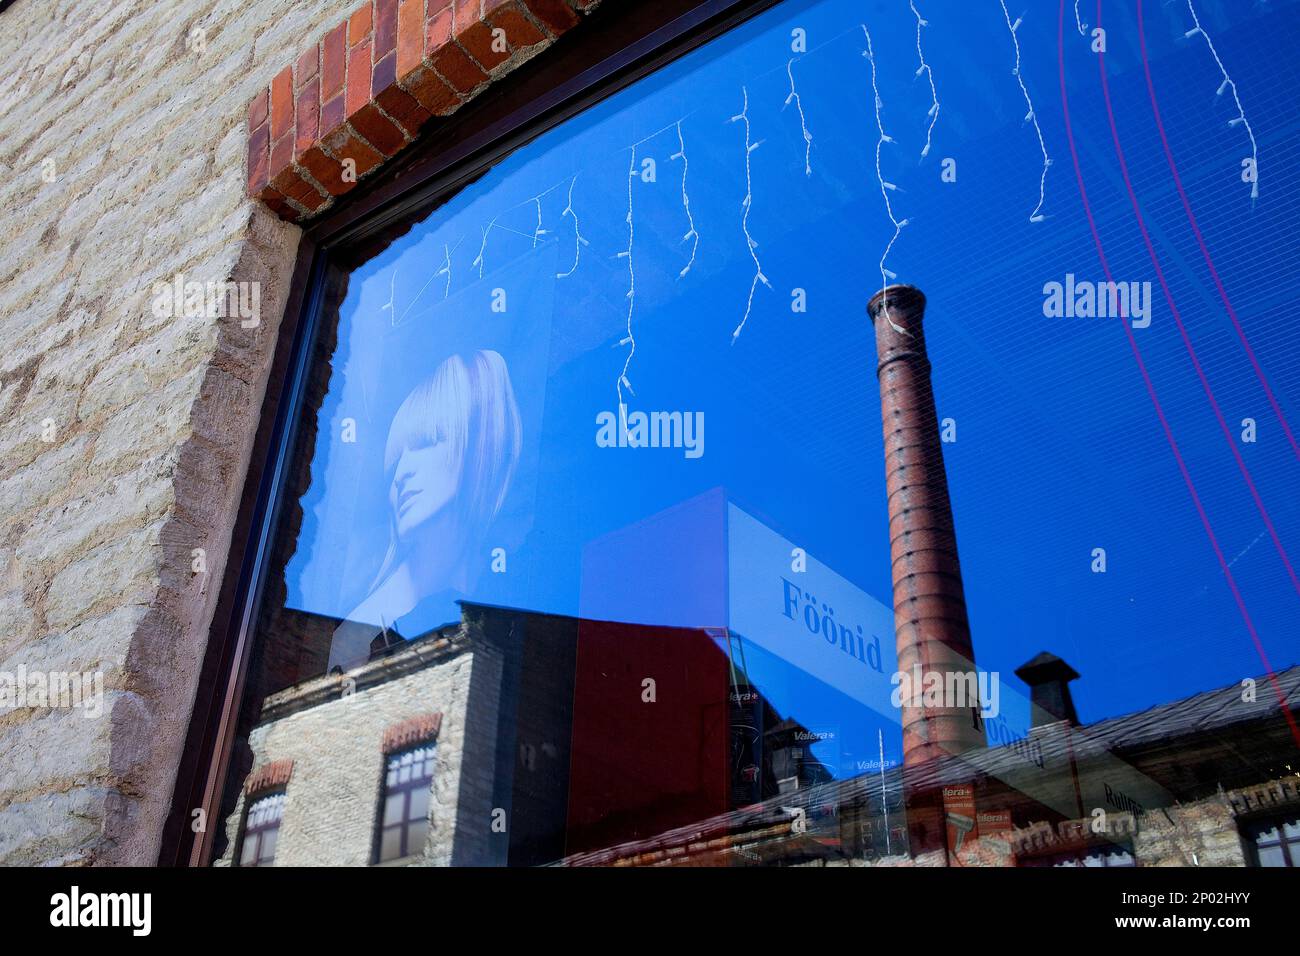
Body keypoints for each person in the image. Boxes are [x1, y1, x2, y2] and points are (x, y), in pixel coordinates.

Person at [327, 349, 522, 673]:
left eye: (426, 443)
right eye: (395, 462)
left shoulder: (497, 596)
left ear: (476, 448)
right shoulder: (364, 626)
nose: (402, 472)